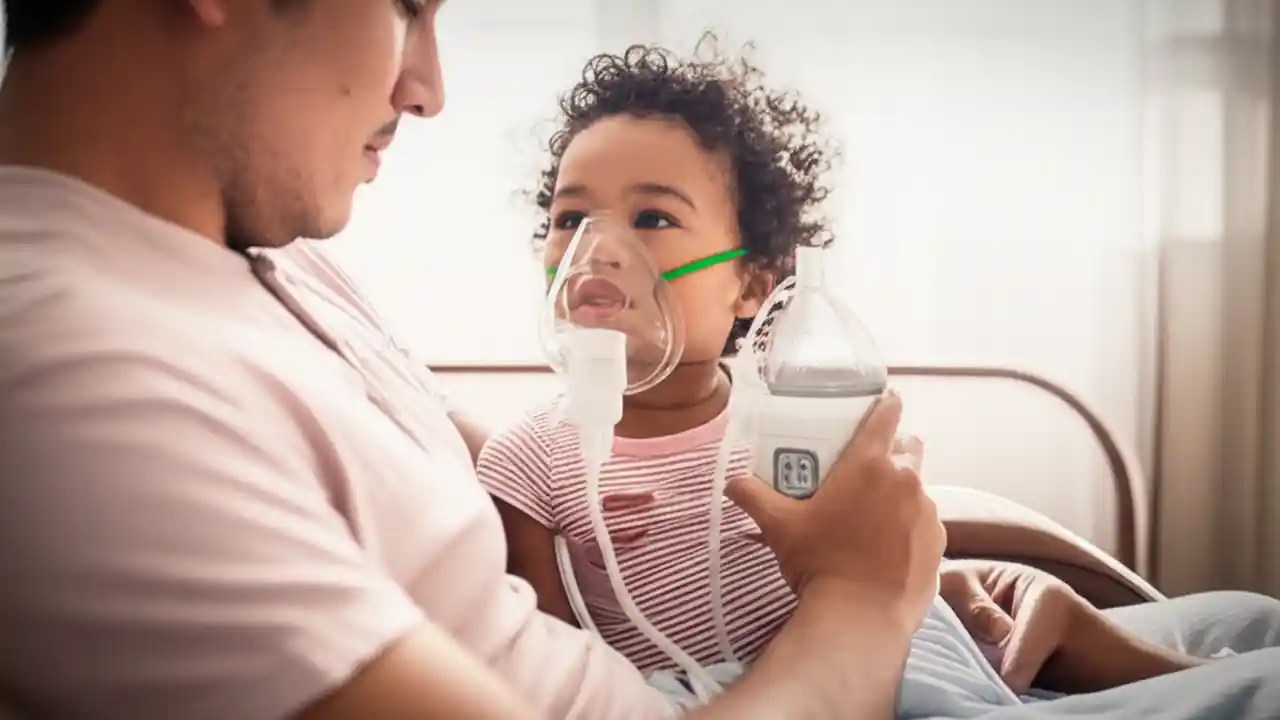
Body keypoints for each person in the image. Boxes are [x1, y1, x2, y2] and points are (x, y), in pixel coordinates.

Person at [0, 2, 1276, 719]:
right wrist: (861, 599)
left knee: (1245, 624)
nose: (429, 86)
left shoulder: (255, 261)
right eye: (407, 5)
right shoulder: (70, 382)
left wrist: (901, 574)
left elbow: (438, 478)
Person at [477, 41, 1280, 715]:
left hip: (909, 643)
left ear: (754, 283)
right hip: (784, 691)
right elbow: (554, 665)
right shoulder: (534, 461)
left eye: (651, 218)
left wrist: (957, 580)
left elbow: (890, 560)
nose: (599, 249)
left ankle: (1132, 662)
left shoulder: (789, 415)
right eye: (571, 219)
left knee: (1252, 618)